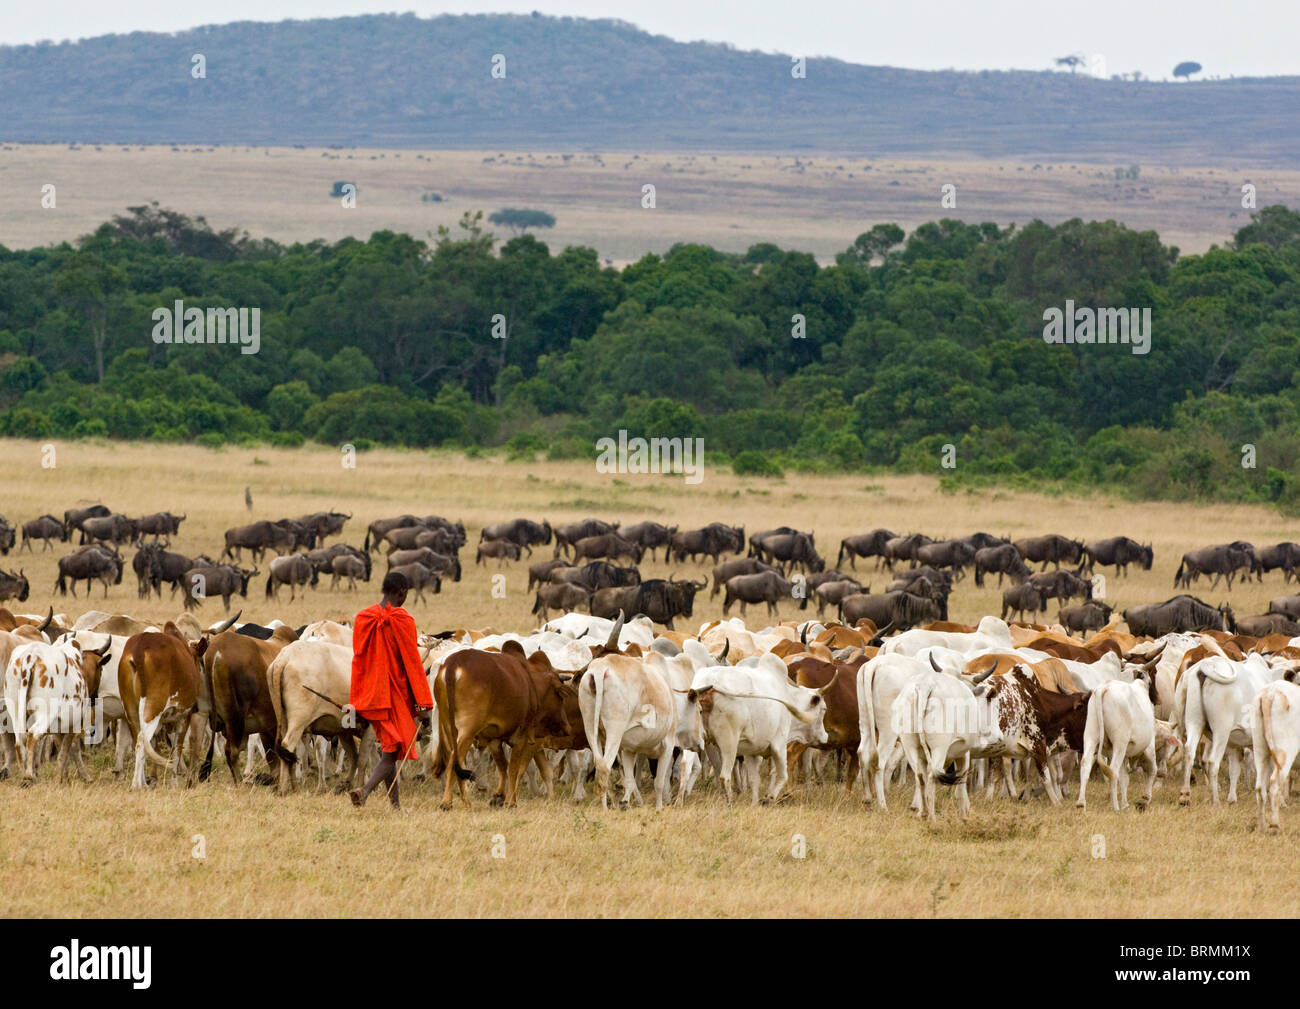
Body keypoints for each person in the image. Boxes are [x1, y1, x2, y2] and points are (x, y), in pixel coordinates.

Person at [348, 571, 433, 809]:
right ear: (402, 592)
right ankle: (363, 792)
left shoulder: (363, 618)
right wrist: (422, 706)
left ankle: (395, 806)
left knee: (390, 748)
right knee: (392, 752)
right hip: (394, 696)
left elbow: (358, 658)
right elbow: (412, 665)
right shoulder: (403, 621)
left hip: (371, 695)